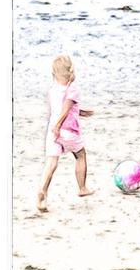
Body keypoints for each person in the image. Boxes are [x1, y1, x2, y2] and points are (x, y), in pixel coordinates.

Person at [37, 54, 96, 212]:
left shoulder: (52, 90)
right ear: (72, 74)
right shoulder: (72, 91)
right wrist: (59, 125)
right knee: (81, 155)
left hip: (52, 132)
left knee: (51, 164)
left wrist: (80, 112)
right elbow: (65, 109)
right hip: (67, 131)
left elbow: (63, 108)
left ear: (53, 74)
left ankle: (43, 192)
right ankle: (82, 187)